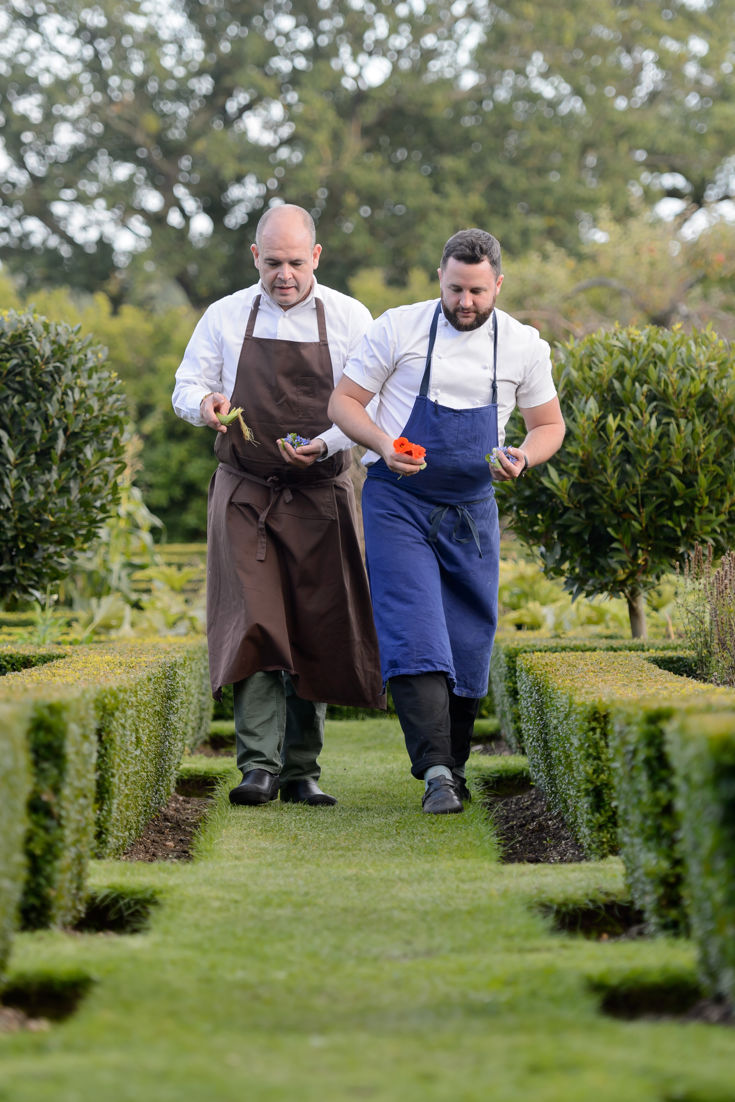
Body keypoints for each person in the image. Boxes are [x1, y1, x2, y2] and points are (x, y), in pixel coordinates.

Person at [328, 228, 565, 815]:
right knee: (414, 627)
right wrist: (386, 445)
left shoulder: (524, 346)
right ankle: (434, 769)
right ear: (440, 277)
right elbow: (344, 403)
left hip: (472, 511)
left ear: (499, 285)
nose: (465, 302)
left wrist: (523, 457)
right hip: (397, 500)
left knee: (466, 639)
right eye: (456, 288)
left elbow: (548, 425)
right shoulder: (397, 328)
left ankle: (452, 767)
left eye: (478, 292)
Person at [173, 204, 384, 808]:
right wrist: (206, 403)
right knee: (257, 624)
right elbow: (186, 386)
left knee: (317, 623)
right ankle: (257, 767)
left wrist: (326, 442)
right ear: (254, 258)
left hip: (322, 493)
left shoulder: (349, 317)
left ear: (316, 256)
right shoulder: (225, 315)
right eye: (272, 262)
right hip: (246, 491)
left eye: (294, 261)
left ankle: (301, 771)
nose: (283, 274)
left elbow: (367, 408)